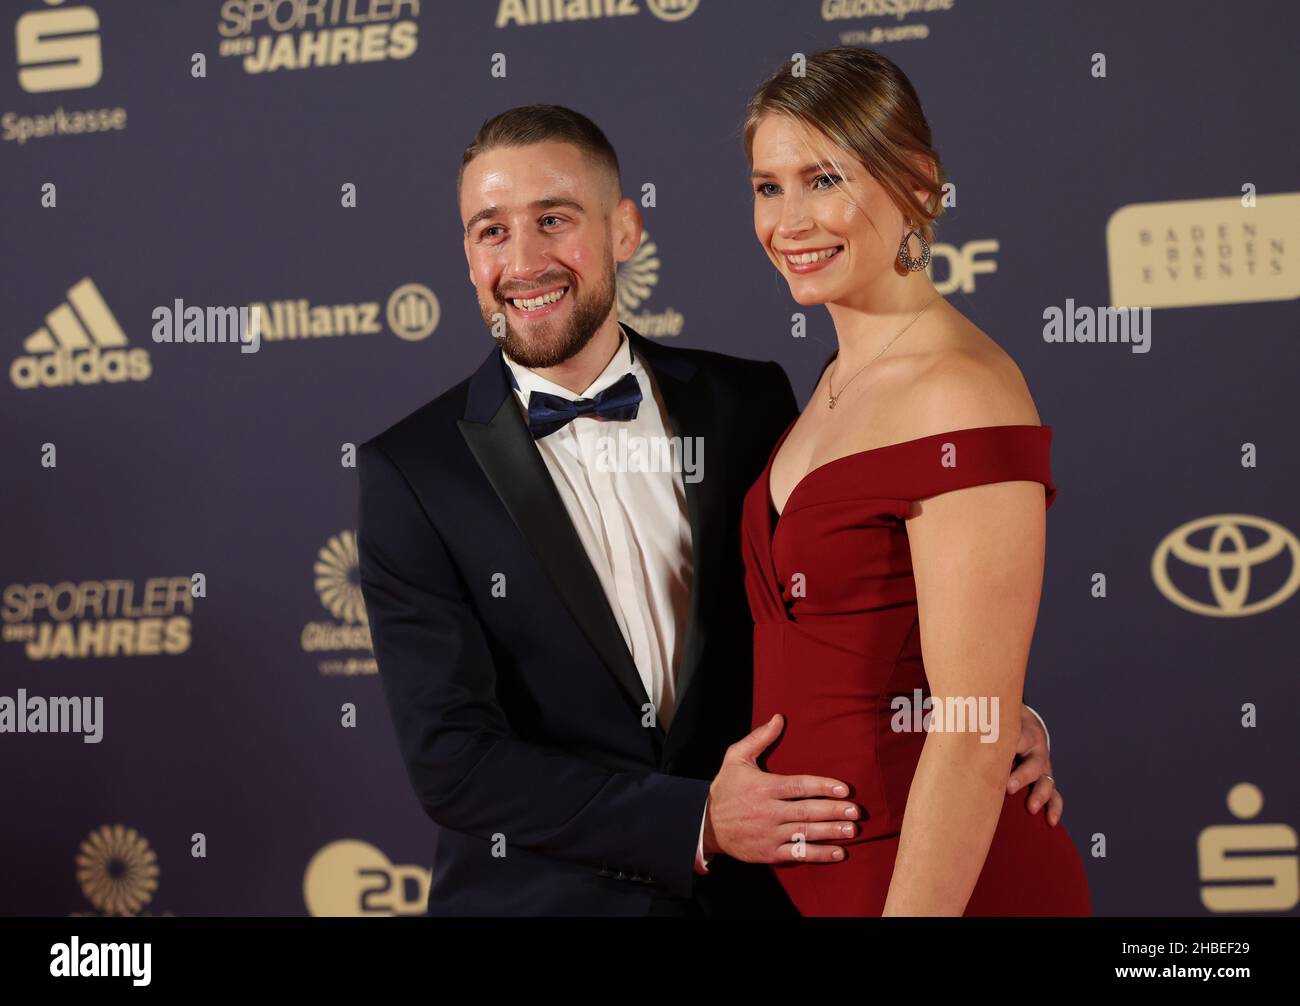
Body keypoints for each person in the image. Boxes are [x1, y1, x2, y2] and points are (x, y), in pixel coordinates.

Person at [357, 103, 1064, 916]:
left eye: (554, 220)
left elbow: (846, 604)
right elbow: (452, 759)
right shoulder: (412, 471)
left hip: (767, 899)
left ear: (625, 230)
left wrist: (991, 714)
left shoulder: (747, 400)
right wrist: (694, 819)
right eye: (491, 231)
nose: (524, 261)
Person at [740, 48, 1091, 915]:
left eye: (824, 179)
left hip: (937, 887)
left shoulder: (960, 389)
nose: (789, 219)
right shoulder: (827, 383)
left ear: (918, 186)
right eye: (767, 185)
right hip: (817, 885)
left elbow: (973, 736)